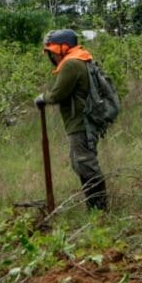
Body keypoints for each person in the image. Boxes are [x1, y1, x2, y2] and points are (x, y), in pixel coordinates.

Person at [35, 29, 108, 210]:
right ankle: (94, 208)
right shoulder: (81, 59)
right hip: (82, 121)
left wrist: (42, 98)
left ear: (63, 48)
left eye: (53, 51)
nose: (52, 56)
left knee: (86, 164)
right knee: (80, 163)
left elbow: (57, 95)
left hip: (80, 123)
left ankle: (99, 209)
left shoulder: (71, 64)